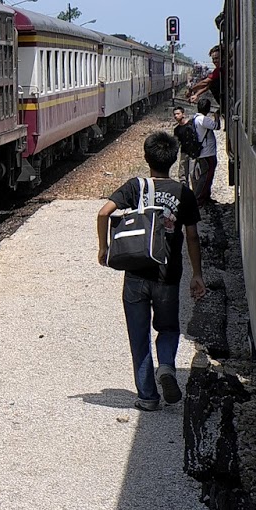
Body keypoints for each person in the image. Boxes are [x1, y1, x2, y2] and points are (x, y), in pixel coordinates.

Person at [96, 131, 207, 411]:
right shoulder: (184, 193)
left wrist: (104, 248)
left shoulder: (136, 186)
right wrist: (197, 274)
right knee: (168, 328)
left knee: (139, 334)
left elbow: (103, 213)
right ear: (172, 159)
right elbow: (192, 236)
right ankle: (167, 367)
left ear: (146, 158)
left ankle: (147, 396)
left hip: (136, 274)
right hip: (168, 276)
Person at [191, 97, 219, 206]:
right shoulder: (203, 119)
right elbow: (216, 126)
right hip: (208, 152)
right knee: (206, 176)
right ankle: (199, 198)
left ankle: (206, 197)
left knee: (205, 175)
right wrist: (216, 117)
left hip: (203, 151)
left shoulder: (195, 118)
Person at [170, 107, 201, 186]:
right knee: (182, 175)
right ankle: (185, 193)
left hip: (194, 153)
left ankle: (195, 195)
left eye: (178, 114)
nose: (176, 116)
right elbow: (177, 143)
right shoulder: (177, 129)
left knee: (193, 174)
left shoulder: (191, 125)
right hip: (184, 153)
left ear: (183, 114)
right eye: (174, 114)